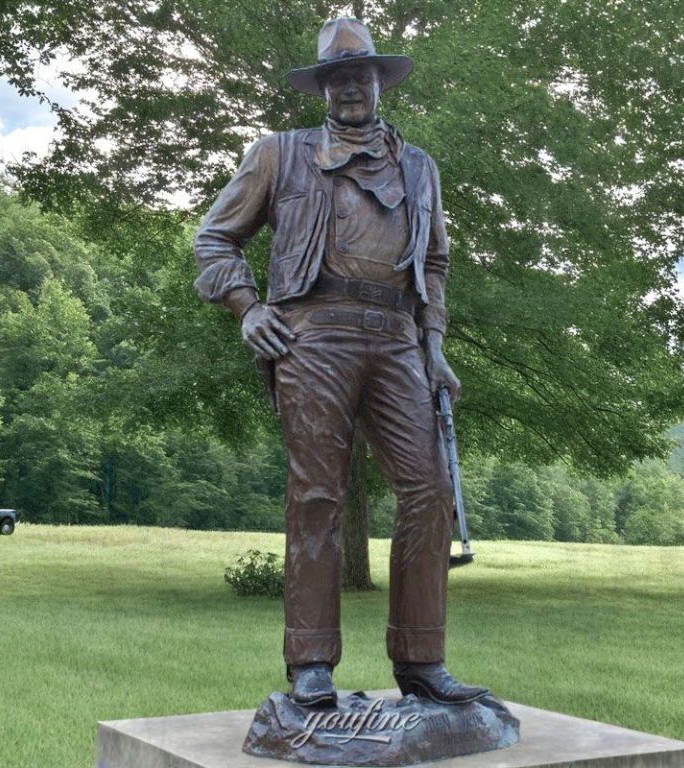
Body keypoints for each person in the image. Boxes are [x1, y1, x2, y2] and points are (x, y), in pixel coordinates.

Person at [194, 17, 490, 708]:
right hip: (312, 332)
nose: (352, 86)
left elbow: (436, 262)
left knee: (428, 491)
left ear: (380, 82)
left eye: (363, 74)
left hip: (396, 337)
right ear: (323, 87)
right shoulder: (280, 154)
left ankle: (422, 660)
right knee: (317, 495)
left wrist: (435, 344)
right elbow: (214, 241)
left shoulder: (419, 168)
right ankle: (310, 663)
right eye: (338, 76)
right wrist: (249, 308)